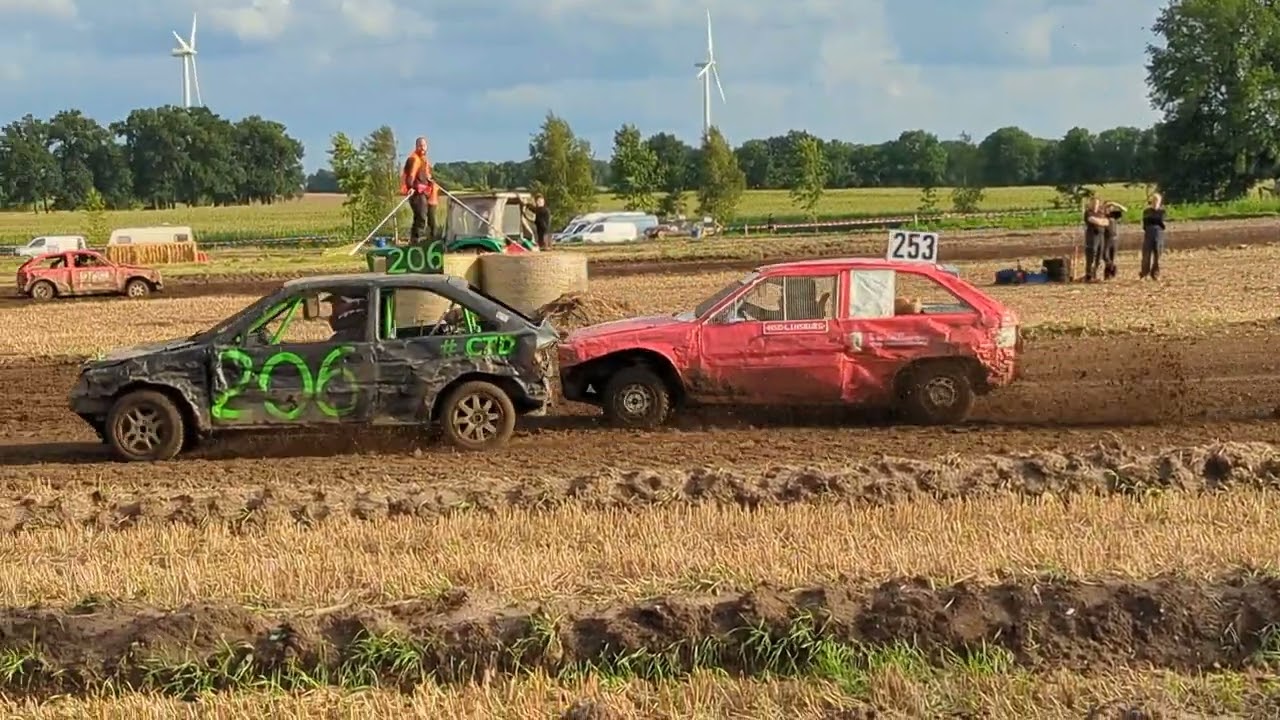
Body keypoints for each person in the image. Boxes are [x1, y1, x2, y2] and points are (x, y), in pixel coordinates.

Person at [401, 136, 439, 243]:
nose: (422, 147)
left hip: (428, 192)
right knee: (421, 216)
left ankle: (433, 240)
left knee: (432, 218)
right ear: (416, 146)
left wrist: (431, 180)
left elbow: (427, 176)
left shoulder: (425, 160)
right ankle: (416, 240)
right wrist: (411, 187)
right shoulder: (413, 159)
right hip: (417, 193)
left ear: (427, 147)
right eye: (420, 145)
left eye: (424, 145)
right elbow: (410, 177)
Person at [1081, 198, 1109, 281]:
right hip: (1092, 236)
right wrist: (1101, 222)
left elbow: (1107, 222)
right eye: (1093, 203)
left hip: (1101, 235)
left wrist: (1099, 221)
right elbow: (1092, 220)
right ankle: (1089, 274)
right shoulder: (1088, 212)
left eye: (1096, 203)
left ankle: (1096, 273)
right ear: (1090, 204)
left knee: (1099, 254)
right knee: (1092, 253)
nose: (1095, 205)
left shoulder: (1101, 212)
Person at [1140, 192, 1166, 280]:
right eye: (1154, 200)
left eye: (1157, 200)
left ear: (1160, 201)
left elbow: (1162, 223)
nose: (1155, 202)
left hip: (1158, 234)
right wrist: (1156, 221)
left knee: (1157, 255)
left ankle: (1155, 274)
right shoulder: (1146, 211)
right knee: (1146, 255)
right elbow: (1145, 223)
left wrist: (1154, 220)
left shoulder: (1162, 211)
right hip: (1148, 234)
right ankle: (1144, 274)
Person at [1101, 200, 1127, 280]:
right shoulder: (1102, 215)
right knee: (1105, 256)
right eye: (1106, 207)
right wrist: (1104, 206)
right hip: (1105, 238)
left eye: (1109, 207)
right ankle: (1113, 267)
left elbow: (1125, 210)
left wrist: (1115, 204)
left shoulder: (1113, 215)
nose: (1108, 208)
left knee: (1112, 257)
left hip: (1114, 238)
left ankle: (1108, 275)